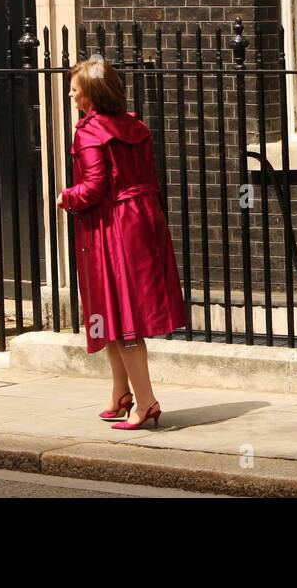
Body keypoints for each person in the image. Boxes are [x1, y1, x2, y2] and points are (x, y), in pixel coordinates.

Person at [57, 58, 187, 430]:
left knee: (124, 317)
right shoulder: (136, 126)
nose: (70, 93)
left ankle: (145, 402)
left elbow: (94, 188)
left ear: (92, 92)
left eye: (75, 88)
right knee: (111, 313)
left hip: (113, 226)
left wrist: (67, 197)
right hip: (143, 220)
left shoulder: (90, 132)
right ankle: (119, 393)